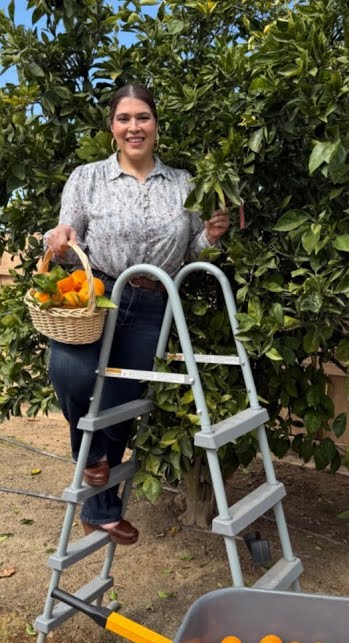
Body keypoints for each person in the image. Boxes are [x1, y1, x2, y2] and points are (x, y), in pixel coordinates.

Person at [42, 84, 230, 545]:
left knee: (122, 403)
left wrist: (212, 234)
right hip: (98, 293)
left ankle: (100, 507)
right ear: (112, 127)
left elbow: (190, 251)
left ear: (156, 126)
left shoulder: (184, 184)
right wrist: (59, 239)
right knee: (71, 374)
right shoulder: (86, 178)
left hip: (153, 302)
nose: (134, 127)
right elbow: (69, 243)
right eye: (124, 118)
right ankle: (91, 457)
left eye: (142, 117)